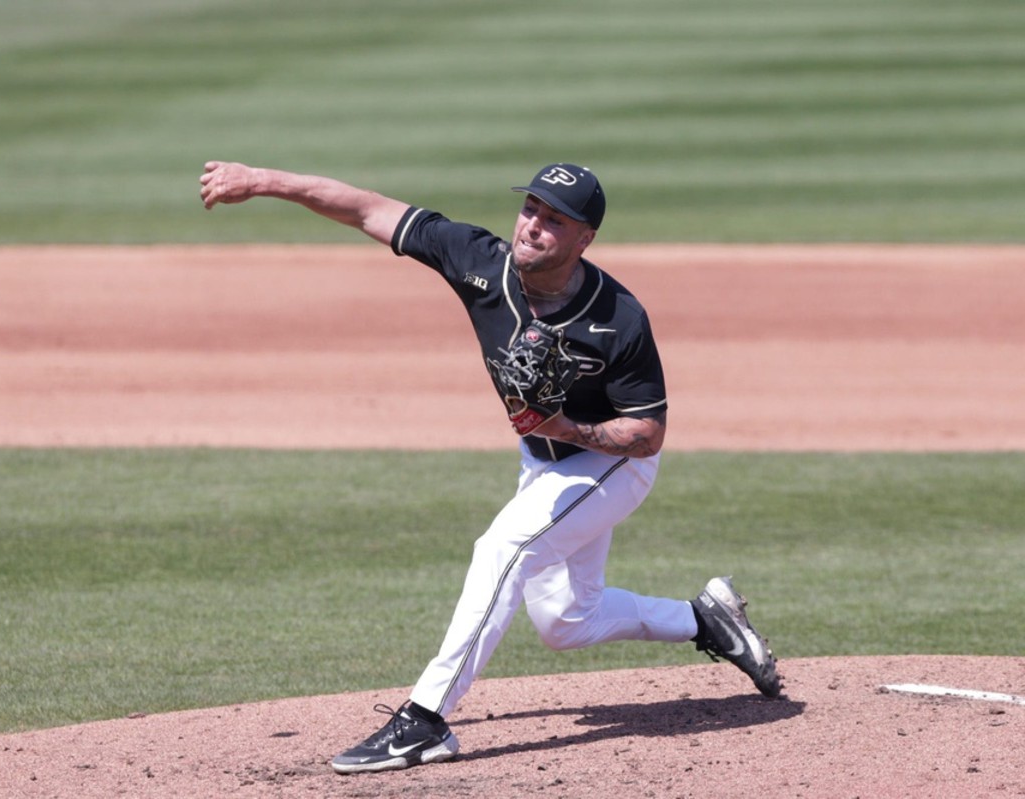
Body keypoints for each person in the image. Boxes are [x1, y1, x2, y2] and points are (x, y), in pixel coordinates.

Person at [198, 161, 784, 774]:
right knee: (565, 622)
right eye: (530, 208)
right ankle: (705, 620)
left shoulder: (618, 318)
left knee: (502, 547)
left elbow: (648, 432)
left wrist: (569, 428)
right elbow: (368, 208)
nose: (532, 226)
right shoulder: (480, 260)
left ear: (584, 238)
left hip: (611, 465)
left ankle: (424, 721)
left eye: (554, 220)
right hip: (544, 464)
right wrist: (262, 180)